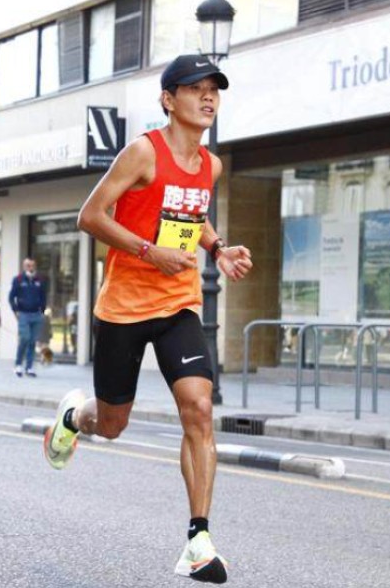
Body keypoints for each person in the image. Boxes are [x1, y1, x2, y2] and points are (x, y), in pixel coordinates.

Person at [42, 54, 253, 584]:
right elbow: (89, 216)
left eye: (214, 90)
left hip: (179, 302)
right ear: (168, 99)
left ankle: (198, 540)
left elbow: (191, 210)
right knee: (112, 424)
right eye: (195, 89)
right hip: (124, 308)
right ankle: (74, 418)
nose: (208, 98)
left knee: (199, 408)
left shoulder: (211, 164)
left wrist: (219, 248)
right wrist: (147, 252)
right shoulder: (142, 152)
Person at [8, 258, 47, 377]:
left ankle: (29, 367)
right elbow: (11, 297)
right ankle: (18, 364)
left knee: (32, 341)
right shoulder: (18, 279)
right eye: (27, 265)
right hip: (23, 314)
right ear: (24, 266)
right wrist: (16, 311)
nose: (30, 267)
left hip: (36, 314)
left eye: (32, 265)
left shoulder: (39, 280)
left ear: (34, 266)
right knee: (25, 338)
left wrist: (42, 311)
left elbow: (43, 296)